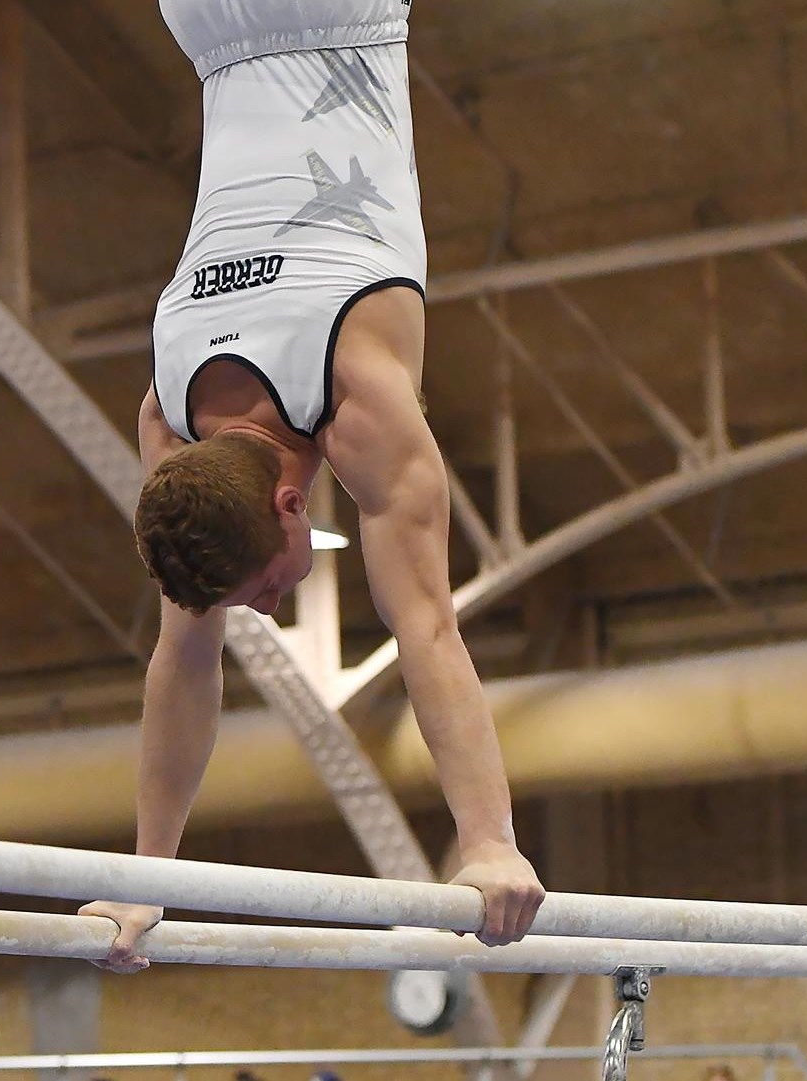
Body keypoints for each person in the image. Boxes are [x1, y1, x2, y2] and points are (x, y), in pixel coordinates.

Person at [80, 0, 544, 972]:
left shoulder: (359, 401)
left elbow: (427, 625)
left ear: (293, 506)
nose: (269, 603)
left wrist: (489, 838)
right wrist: (145, 877)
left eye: (260, 587)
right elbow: (188, 656)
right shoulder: (170, 418)